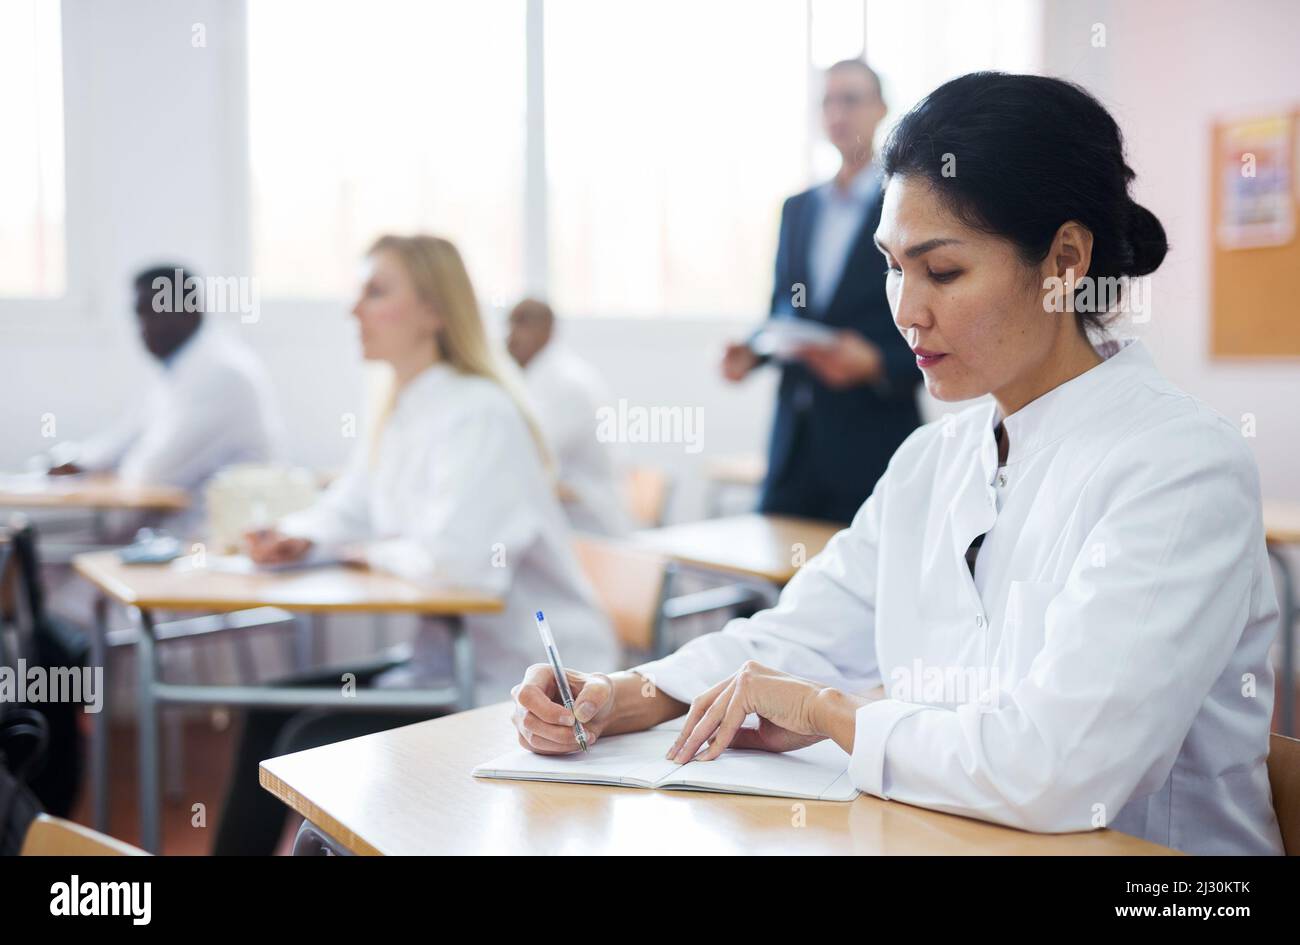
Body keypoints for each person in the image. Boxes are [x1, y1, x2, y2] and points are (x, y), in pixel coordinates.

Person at [508, 73, 1285, 856]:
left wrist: (829, 713)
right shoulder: (932, 459)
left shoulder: (1181, 466)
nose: (906, 309)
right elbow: (802, 633)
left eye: (941, 271)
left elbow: (1059, 770)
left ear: (1064, 261)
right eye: (891, 265)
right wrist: (626, 694)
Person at [214, 235, 616, 855]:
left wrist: (362, 550)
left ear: (434, 310)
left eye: (376, 291)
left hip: (520, 678)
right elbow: (352, 507)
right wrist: (301, 537)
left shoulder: (479, 411)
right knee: (267, 711)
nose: (355, 311)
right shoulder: (402, 404)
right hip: (447, 657)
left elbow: (463, 570)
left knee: (307, 738)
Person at [722, 59, 921, 524]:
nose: (837, 112)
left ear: (881, 109)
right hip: (796, 440)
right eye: (828, 101)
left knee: (869, 585)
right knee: (778, 586)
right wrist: (754, 351)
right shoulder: (798, 209)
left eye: (850, 99)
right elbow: (784, 310)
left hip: (872, 440)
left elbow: (935, 315)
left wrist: (876, 362)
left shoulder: (908, 205)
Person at [47, 265, 280, 512]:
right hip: (177, 525)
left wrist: (105, 466)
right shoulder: (182, 367)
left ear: (189, 312)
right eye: (139, 315)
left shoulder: (221, 372)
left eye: (153, 313)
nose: (143, 328)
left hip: (215, 531)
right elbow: (129, 435)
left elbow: (151, 472)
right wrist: (80, 461)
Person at [506, 297, 630, 537]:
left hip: (590, 524)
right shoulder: (535, 379)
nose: (510, 336)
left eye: (522, 325)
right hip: (563, 518)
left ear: (547, 331)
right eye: (510, 325)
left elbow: (531, 457)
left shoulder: (566, 385)